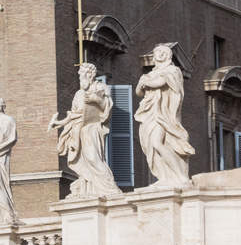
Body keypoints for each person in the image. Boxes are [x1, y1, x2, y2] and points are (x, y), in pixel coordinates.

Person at [49, 62, 121, 197]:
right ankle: (88, 187)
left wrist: (96, 100)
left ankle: (110, 188)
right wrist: (59, 123)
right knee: (82, 160)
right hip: (78, 130)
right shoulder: (78, 94)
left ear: (90, 75)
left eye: (83, 76)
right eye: (80, 76)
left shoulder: (101, 87)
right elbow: (74, 115)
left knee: (93, 158)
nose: (81, 79)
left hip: (93, 128)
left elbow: (107, 108)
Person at [135, 44, 195, 186]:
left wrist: (146, 82)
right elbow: (138, 92)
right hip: (149, 112)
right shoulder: (149, 74)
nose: (160, 54)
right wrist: (141, 84)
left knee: (157, 143)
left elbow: (160, 82)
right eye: (157, 52)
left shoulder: (173, 71)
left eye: (164, 52)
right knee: (150, 145)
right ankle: (164, 177)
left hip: (163, 114)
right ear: (154, 56)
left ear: (168, 56)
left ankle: (180, 176)